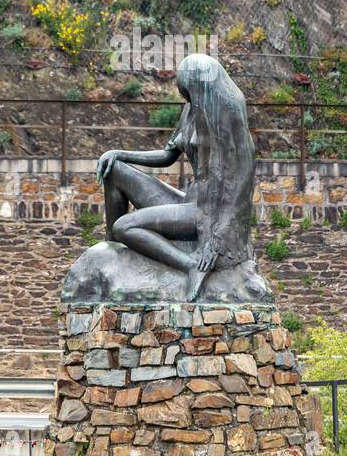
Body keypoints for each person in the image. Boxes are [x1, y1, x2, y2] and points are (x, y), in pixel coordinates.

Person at [95, 53, 254, 301]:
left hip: (207, 213)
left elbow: (242, 187)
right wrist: (119, 154)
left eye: (189, 89)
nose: (186, 96)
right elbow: (168, 155)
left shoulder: (230, 116)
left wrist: (218, 237)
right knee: (113, 170)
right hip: (186, 202)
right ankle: (111, 251)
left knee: (124, 226)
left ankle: (189, 265)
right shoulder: (191, 110)